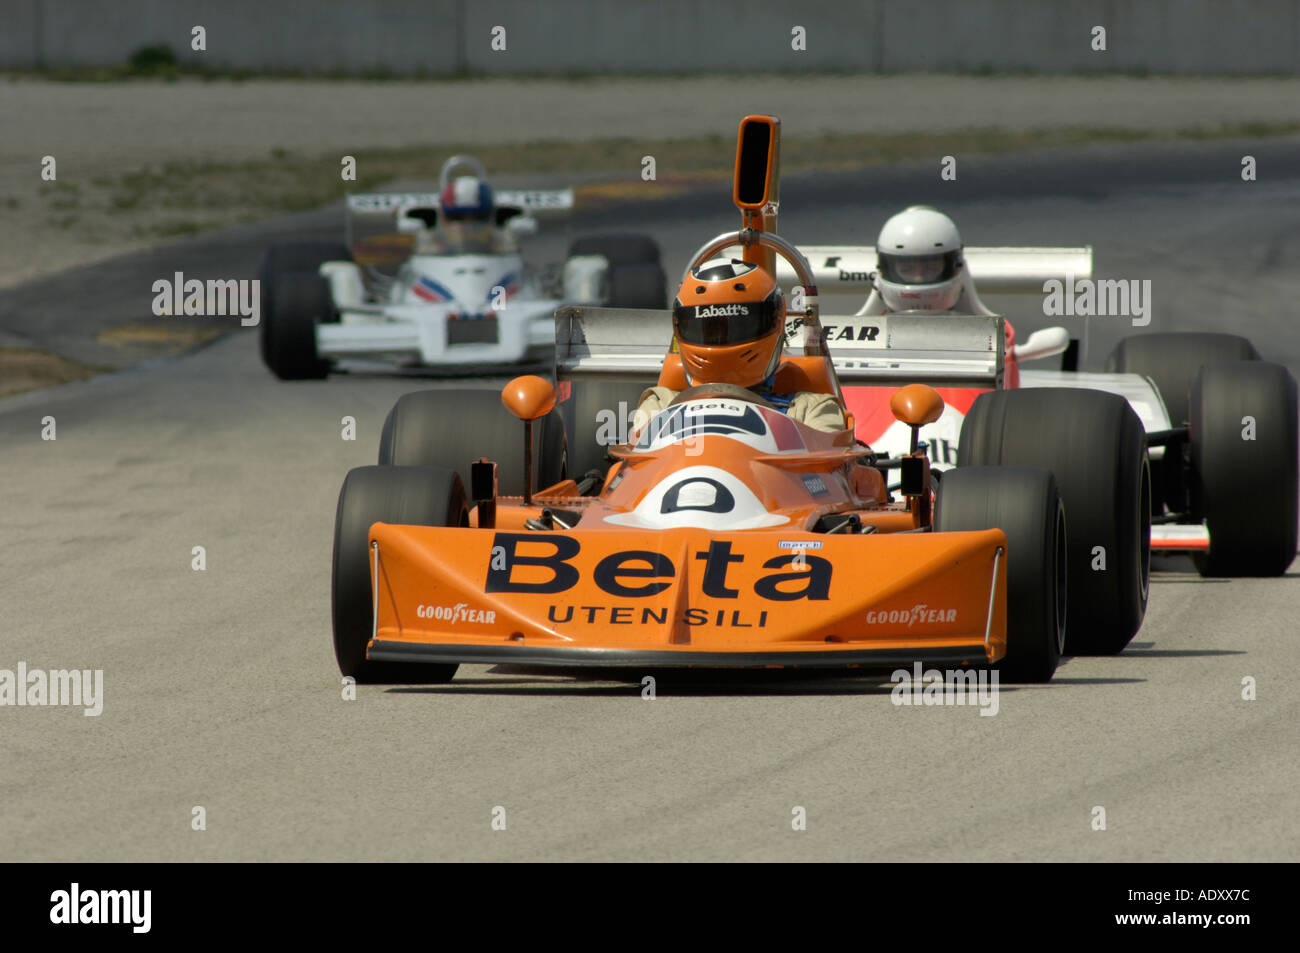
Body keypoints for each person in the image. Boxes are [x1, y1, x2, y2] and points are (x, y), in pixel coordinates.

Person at [635, 257, 846, 433]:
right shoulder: (660, 404)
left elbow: (825, 475)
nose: (722, 338)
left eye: (738, 326)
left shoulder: (811, 410)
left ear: (775, 320)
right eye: (710, 329)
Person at [856, 205, 995, 316]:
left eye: (930, 268)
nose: (919, 275)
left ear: (956, 267)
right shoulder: (850, 339)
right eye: (908, 269)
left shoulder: (999, 339)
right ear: (883, 269)